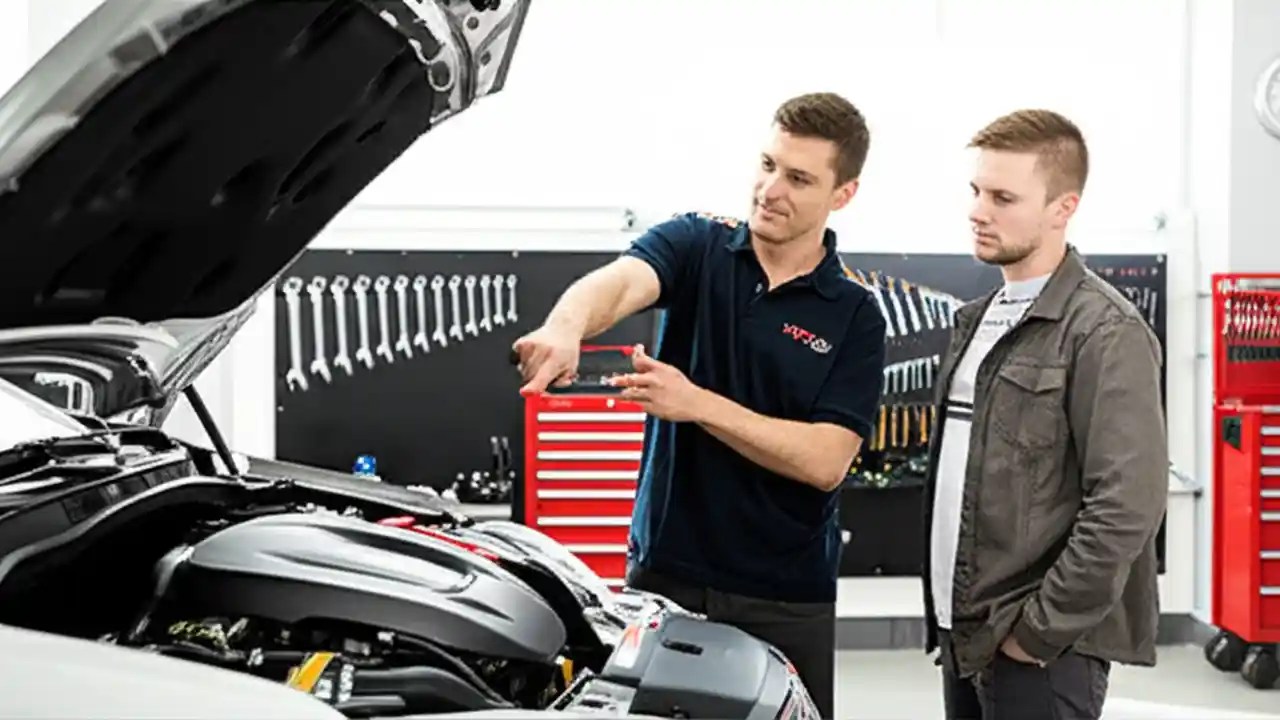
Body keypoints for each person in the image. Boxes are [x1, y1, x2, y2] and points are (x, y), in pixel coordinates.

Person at [511, 92, 888, 718]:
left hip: (786, 597)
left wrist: (697, 404)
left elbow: (826, 460)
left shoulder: (854, 313)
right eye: (767, 165)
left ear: (842, 194)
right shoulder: (698, 246)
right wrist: (565, 325)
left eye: (798, 178)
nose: (770, 189)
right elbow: (622, 281)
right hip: (668, 580)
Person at [920, 108, 1168, 719]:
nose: (979, 210)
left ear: (1063, 208)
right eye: (976, 191)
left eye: (1004, 197)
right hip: (967, 635)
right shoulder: (977, 321)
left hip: (1040, 650)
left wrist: (1036, 633)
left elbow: (1126, 504)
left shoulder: (1104, 331)